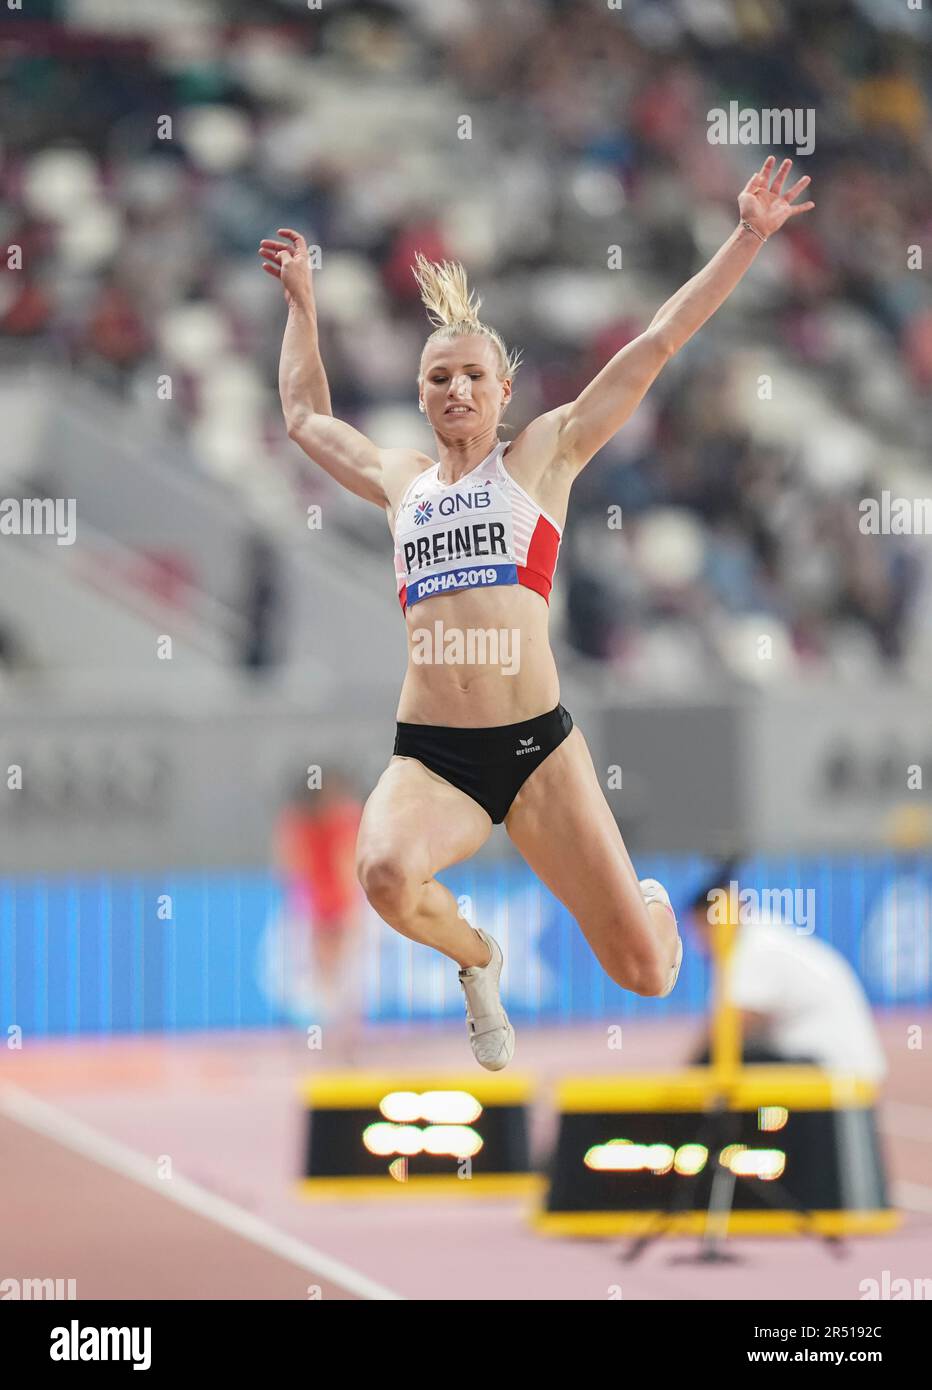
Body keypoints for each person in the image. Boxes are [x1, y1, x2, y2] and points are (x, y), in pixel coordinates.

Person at [258, 155, 814, 1071]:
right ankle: (479, 961)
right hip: (433, 756)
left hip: (538, 751)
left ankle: (646, 910)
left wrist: (747, 236)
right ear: (422, 392)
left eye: (473, 375)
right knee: (384, 875)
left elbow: (657, 345)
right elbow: (305, 418)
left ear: (504, 389)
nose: (456, 392)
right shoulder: (402, 483)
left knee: (647, 974)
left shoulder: (542, 459)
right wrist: (303, 306)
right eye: (438, 379)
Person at [685, 869, 887, 1081]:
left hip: (833, 1070)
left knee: (712, 1063)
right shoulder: (760, 936)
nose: (698, 944)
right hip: (829, 1066)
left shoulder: (755, 945)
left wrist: (685, 1080)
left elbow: (730, 1025)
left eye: (698, 931)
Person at [274, 772, 364, 1060]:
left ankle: (341, 1036)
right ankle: (327, 1036)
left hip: (334, 901)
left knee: (341, 970)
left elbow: (345, 863)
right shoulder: (302, 822)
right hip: (319, 901)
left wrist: (345, 904)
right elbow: (294, 863)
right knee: (323, 971)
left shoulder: (344, 817)